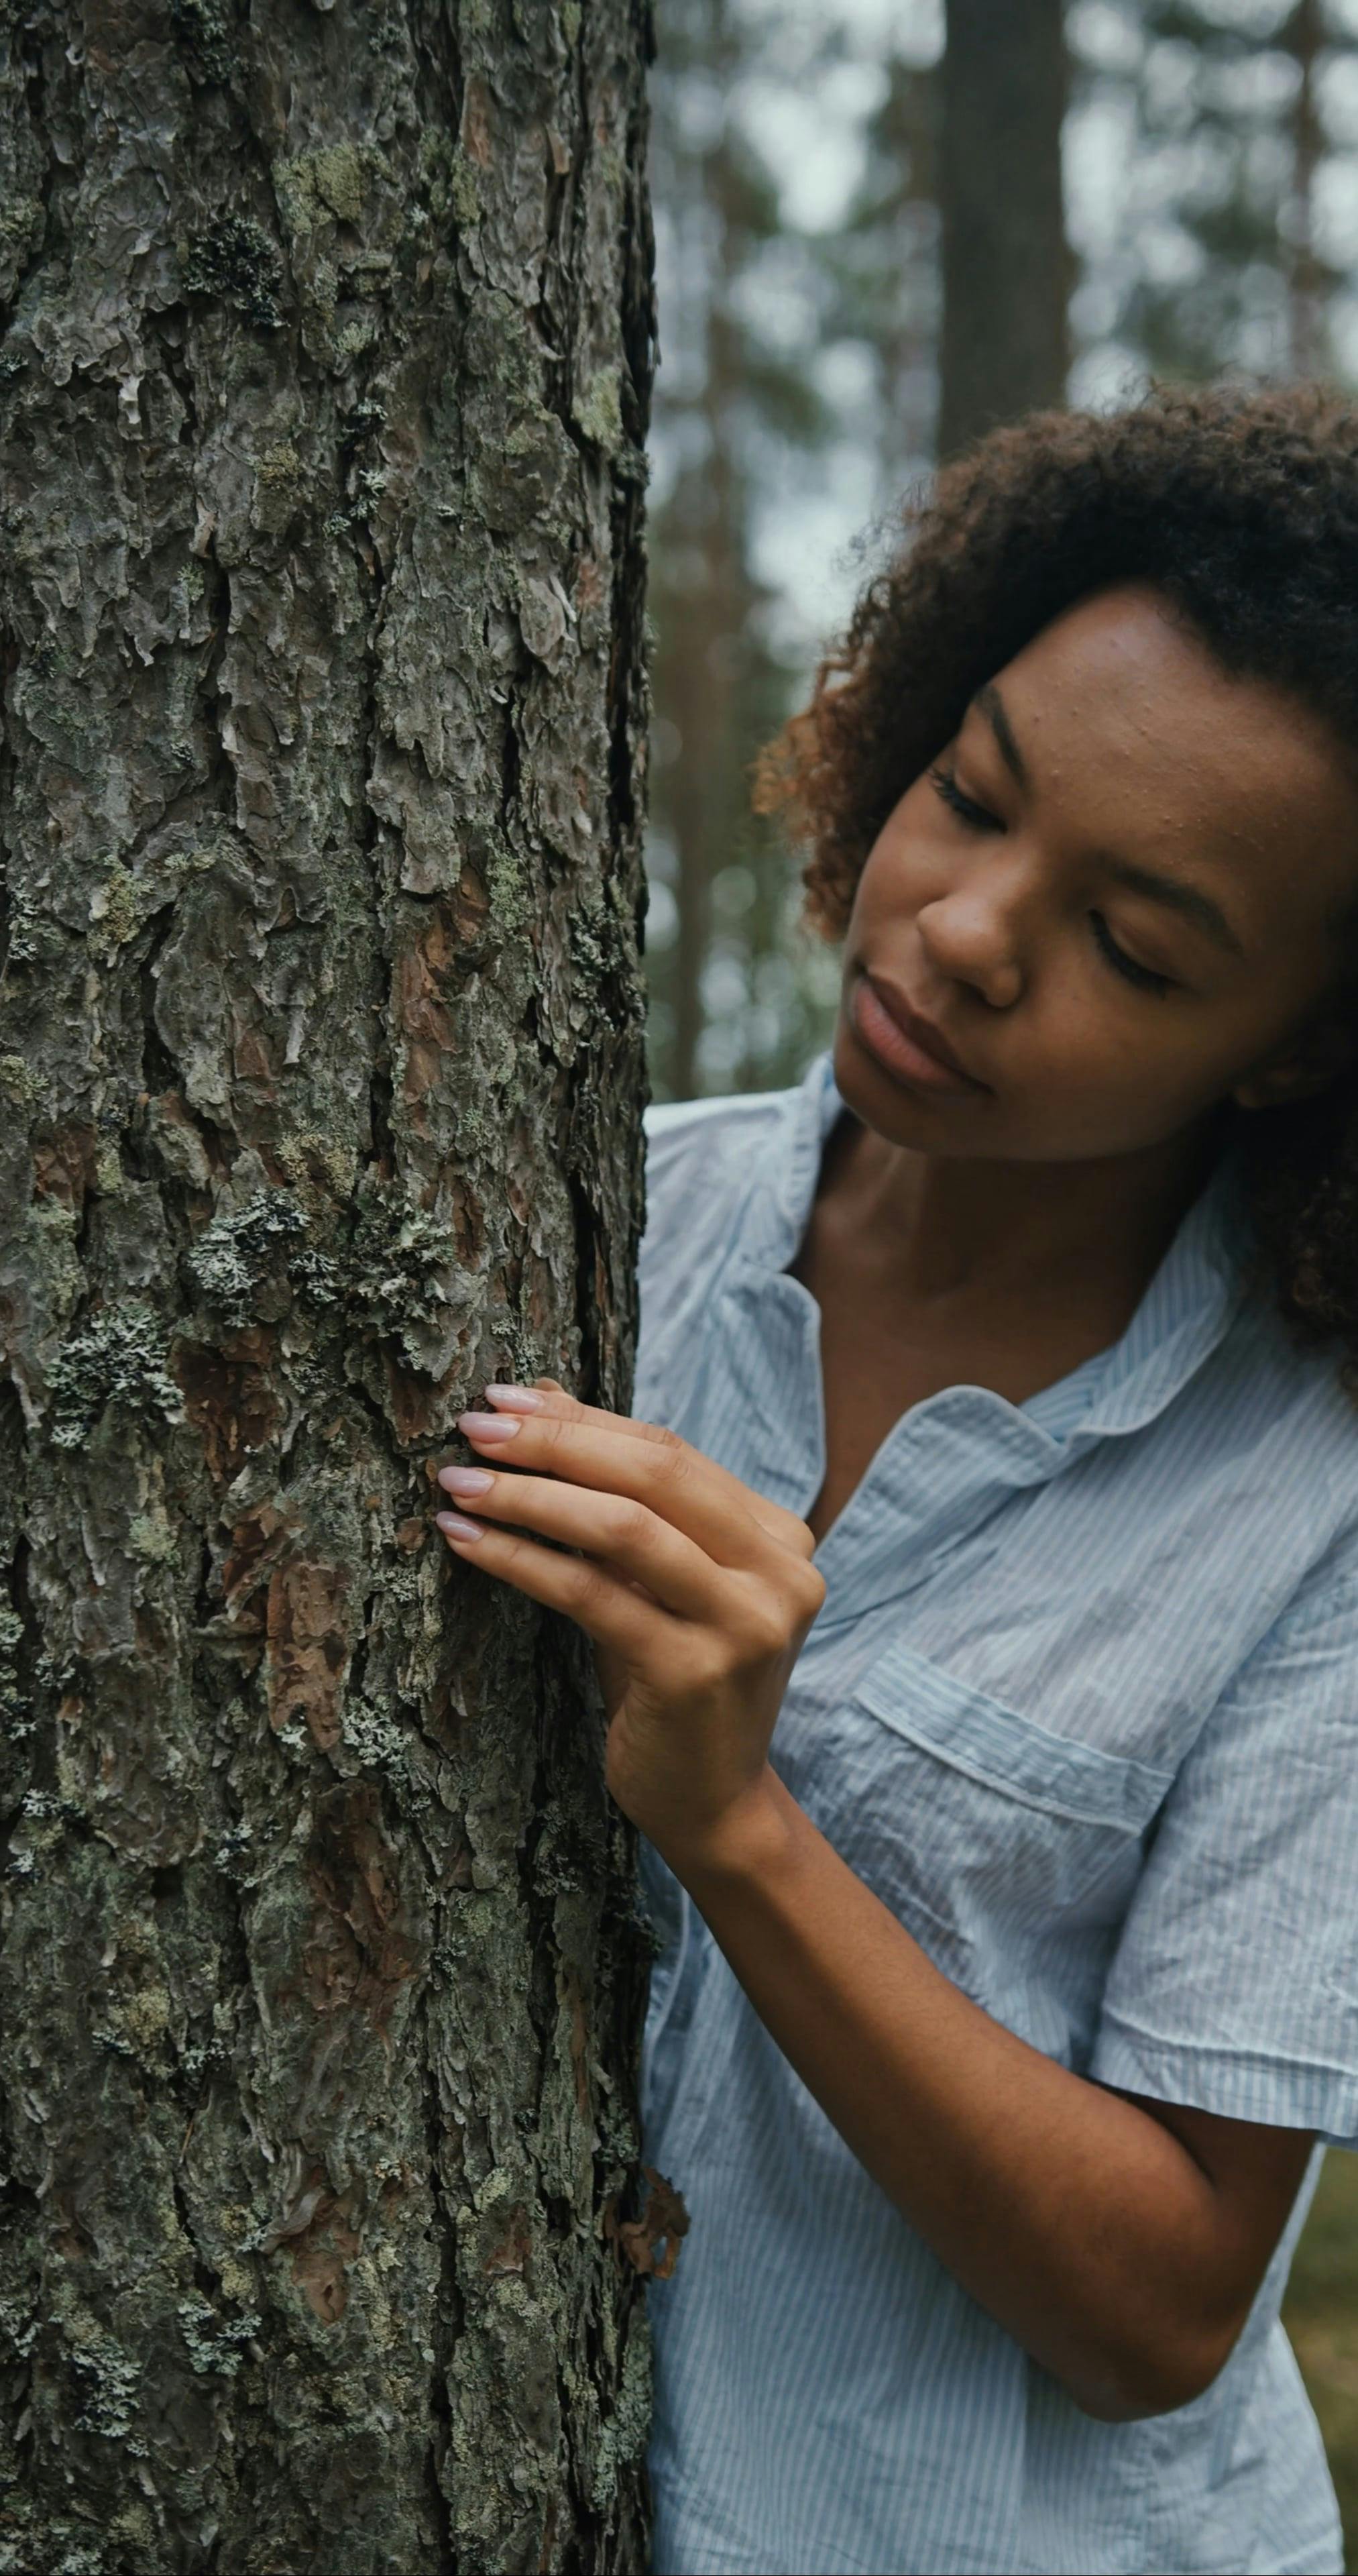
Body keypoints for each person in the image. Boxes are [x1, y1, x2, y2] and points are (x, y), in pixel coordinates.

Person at [434, 384, 1358, 2576]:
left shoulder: (1312, 1510)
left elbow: (1158, 2307)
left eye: (1136, 946)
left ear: (1299, 1046)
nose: (955, 929)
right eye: (969, 797)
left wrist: (741, 1823)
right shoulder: (593, 1223)